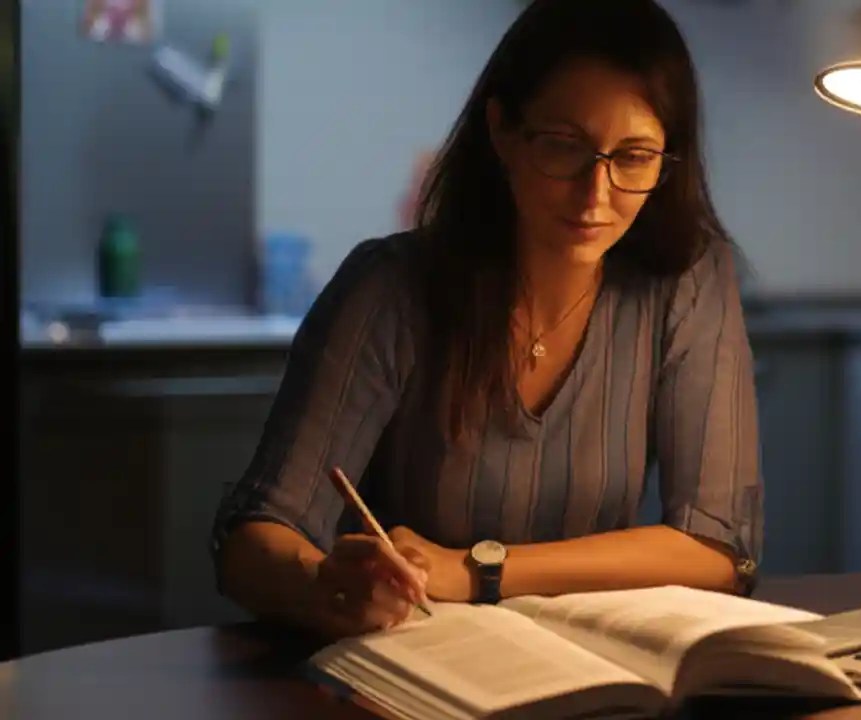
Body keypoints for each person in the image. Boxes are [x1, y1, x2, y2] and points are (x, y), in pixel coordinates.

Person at [211, 0, 762, 640]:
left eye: (633, 157)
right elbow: (254, 539)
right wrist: (325, 586)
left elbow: (721, 549)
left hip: (588, 665)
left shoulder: (685, 281)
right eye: (565, 146)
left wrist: (476, 570)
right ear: (502, 131)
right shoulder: (392, 288)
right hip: (411, 664)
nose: (596, 194)